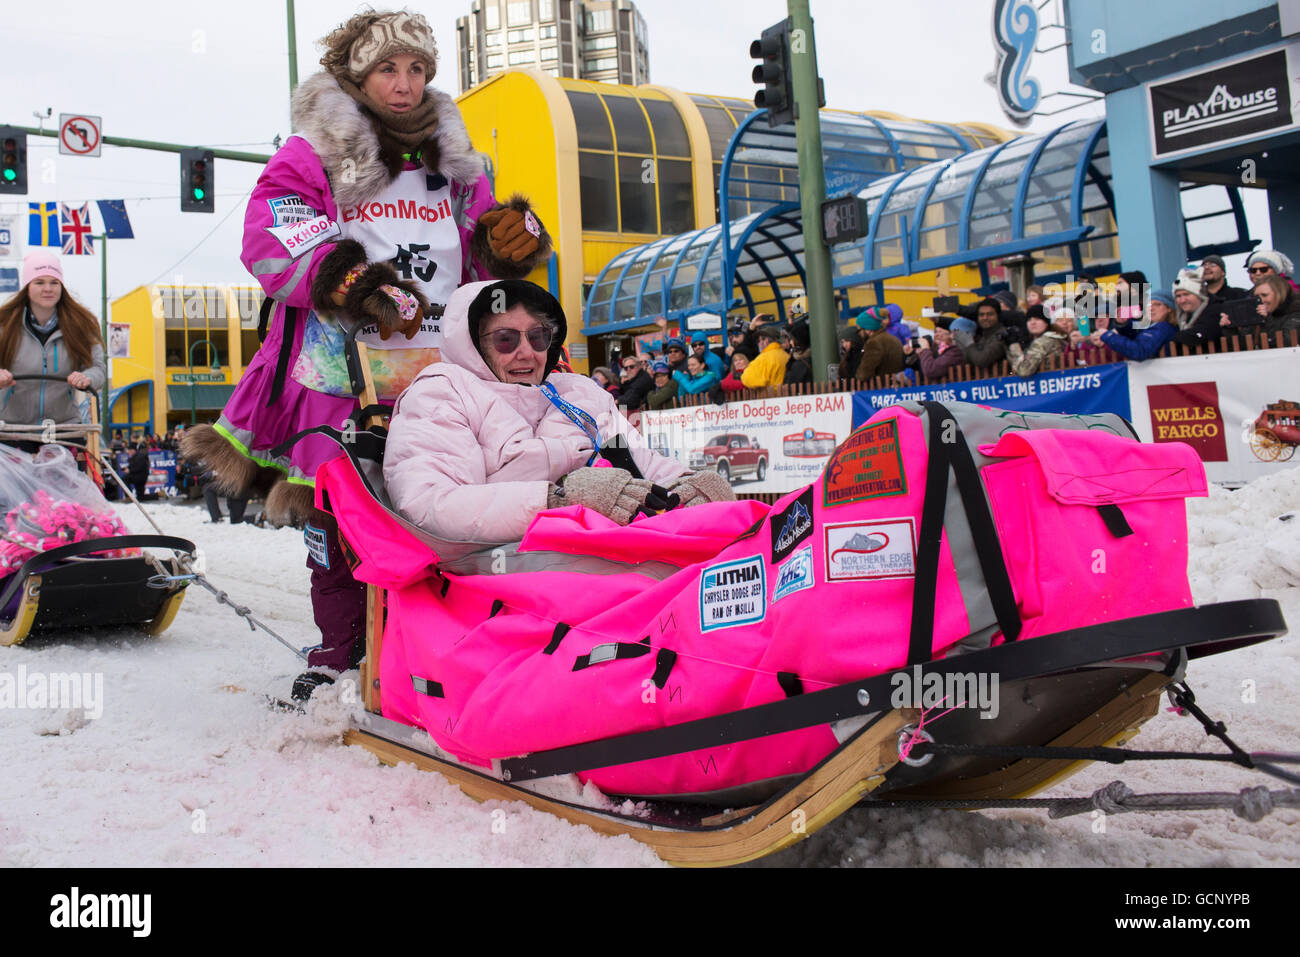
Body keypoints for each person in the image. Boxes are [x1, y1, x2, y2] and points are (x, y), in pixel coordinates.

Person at [180, 9, 553, 693]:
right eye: (388, 69)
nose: (404, 84)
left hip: (441, 364)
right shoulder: (313, 149)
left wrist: (510, 240)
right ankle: (343, 651)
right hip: (340, 369)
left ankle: (438, 647)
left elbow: (480, 254)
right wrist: (352, 282)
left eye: (416, 69)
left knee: (442, 501)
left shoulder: (458, 161)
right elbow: (271, 232)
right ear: (358, 73)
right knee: (341, 510)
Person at [384, 279, 734, 548]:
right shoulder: (442, 391)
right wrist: (556, 501)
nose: (526, 352)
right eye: (506, 339)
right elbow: (428, 504)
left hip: (612, 562)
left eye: (538, 337)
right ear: (473, 344)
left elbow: (640, 461)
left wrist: (687, 485)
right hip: (506, 577)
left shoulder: (578, 392)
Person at [0, 251, 107, 448]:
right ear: (27, 287)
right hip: (12, 430)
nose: (48, 289)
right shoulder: (4, 325)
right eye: (39, 282)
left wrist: (87, 378)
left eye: (54, 282)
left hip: (64, 430)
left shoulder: (81, 325)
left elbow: (98, 368)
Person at [1094, 290, 1179, 361]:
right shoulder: (1152, 326)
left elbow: (1140, 351)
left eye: (1157, 304)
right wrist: (1122, 324)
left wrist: (1108, 335)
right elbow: (1135, 333)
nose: (1151, 308)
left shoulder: (1163, 327)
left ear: (1169, 308)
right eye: (1149, 305)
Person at [1006, 305, 1070, 377]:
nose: (1032, 322)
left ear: (1046, 323)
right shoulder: (1056, 337)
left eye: (1037, 319)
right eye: (1029, 319)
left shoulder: (1044, 341)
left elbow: (1024, 370)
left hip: (1047, 380)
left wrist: (1014, 346)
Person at [854, 310, 905, 381]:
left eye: (859, 330)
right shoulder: (893, 338)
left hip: (881, 385)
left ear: (868, 328)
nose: (859, 334)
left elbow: (865, 372)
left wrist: (859, 377)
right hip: (895, 383)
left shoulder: (874, 342)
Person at [962, 297, 1008, 370]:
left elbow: (982, 360)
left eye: (990, 314)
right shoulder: (982, 336)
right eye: (981, 315)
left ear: (998, 315)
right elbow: (966, 360)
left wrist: (969, 344)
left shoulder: (1002, 335)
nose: (985, 318)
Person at [740, 323, 790, 388]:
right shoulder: (786, 355)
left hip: (770, 393)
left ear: (766, 341)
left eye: (759, 340)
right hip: (786, 392)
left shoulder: (763, 359)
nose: (758, 343)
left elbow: (748, 379)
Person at [781, 321, 812, 385]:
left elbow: (788, 385)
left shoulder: (799, 365)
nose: (790, 342)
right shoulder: (813, 356)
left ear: (798, 341)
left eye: (792, 339)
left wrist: (790, 362)